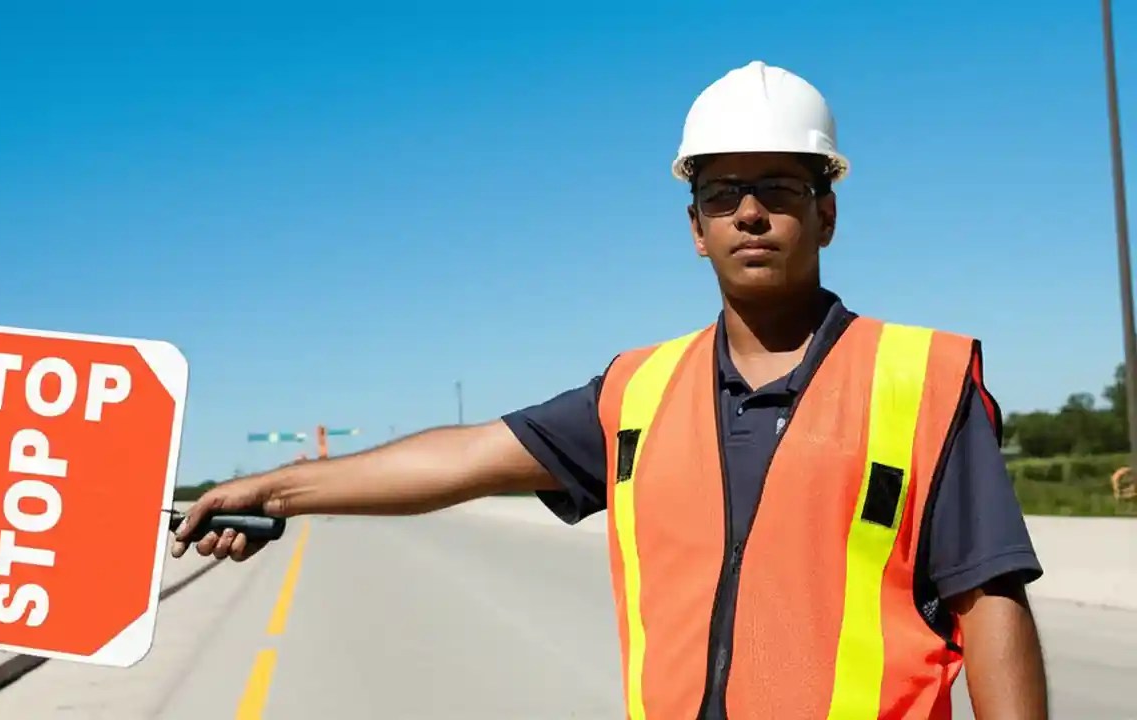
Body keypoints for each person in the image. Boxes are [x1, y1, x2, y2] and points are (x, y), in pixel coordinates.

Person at [173, 60, 1048, 719]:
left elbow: (991, 602)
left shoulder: (920, 381)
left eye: (779, 189)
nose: (749, 212)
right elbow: (464, 459)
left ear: (826, 212)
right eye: (721, 193)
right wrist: (274, 490)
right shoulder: (639, 394)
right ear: (695, 228)